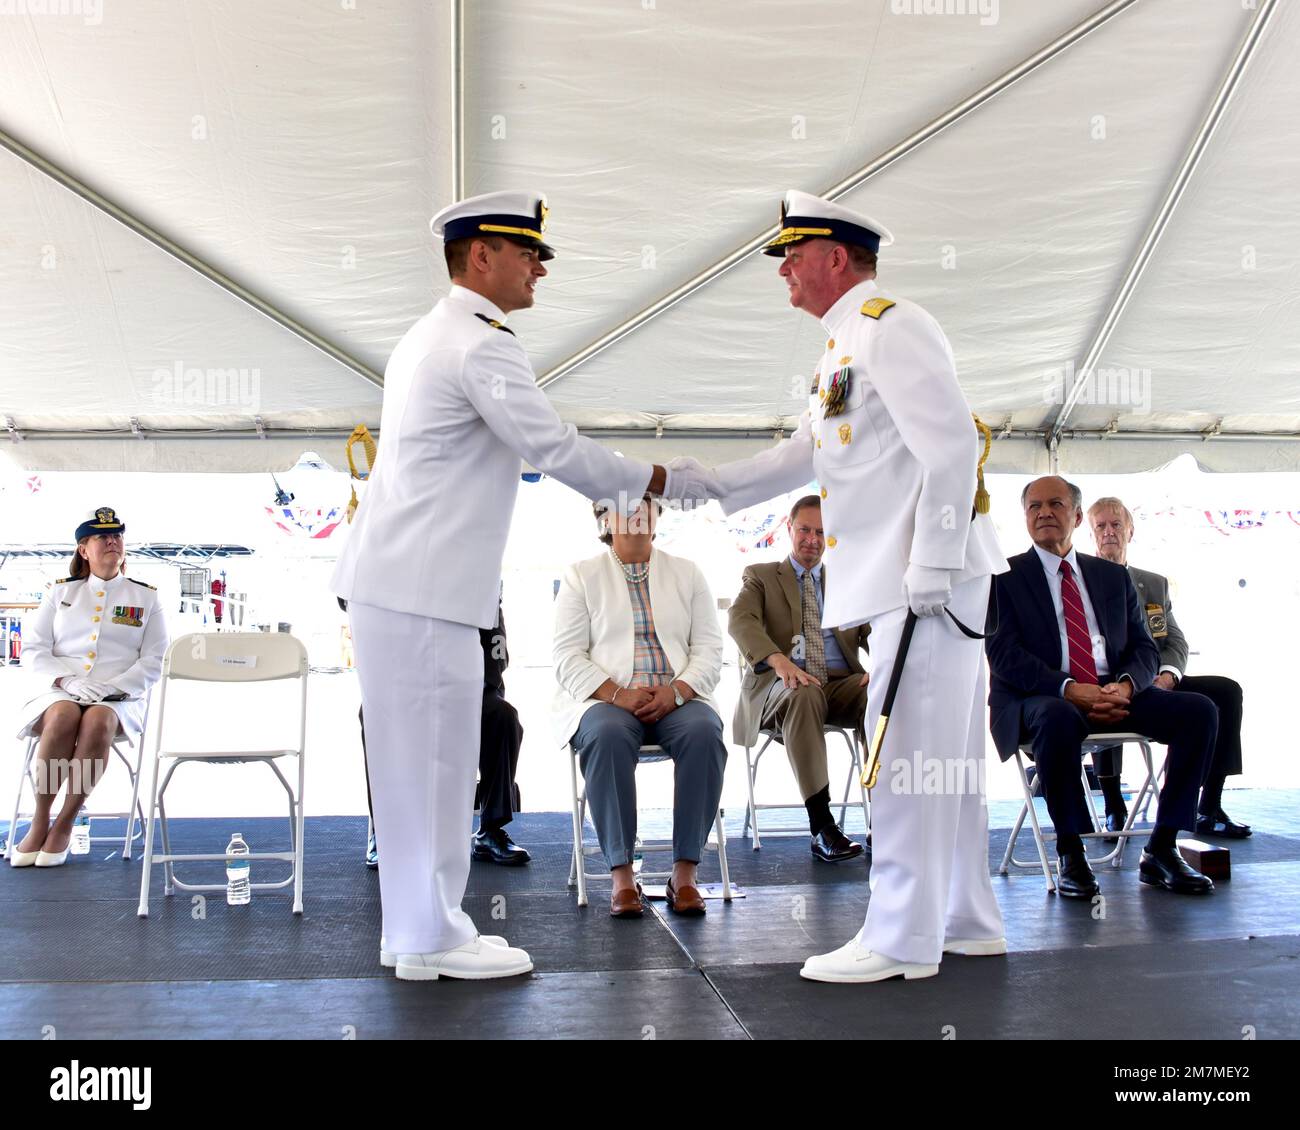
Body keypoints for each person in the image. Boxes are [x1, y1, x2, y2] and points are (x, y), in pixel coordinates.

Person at [331, 191, 714, 981]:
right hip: (421, 588)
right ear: (481, 257)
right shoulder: (481, 344)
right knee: (431, 767)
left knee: (423, 770)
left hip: (406, 583)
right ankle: (428, 936)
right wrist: (664, 479)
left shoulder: (430, 334)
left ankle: (421, 930)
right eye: (527, 251)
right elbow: (556, 447)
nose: (540, 264)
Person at [675, 190, 1008, 983]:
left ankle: (899, 938)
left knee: (905, 758)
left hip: (924, 580)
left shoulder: (894, 326)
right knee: (946, 763)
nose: (783, 268)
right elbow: (803, 454)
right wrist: (706, 484)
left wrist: (930, 562)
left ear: (835, 256)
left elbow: (953, 448)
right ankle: (964, 918)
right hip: (912, 580)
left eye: (794, 253)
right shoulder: (842, 347)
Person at [986, 477, 1218, 898]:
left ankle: (1162, 848)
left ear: (1075, 516)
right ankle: (1070, 852)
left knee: (1200, 711)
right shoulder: (1004, 577)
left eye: (1055, 504)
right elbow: (1003, 656)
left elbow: (1145, 648)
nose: (1044, 513)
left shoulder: (1111, 577)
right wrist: (1070, 689)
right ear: (1024, 518)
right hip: (1043, 697)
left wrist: (1127, 687)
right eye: (1034, 506)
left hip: (1114, 691)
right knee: (1056, 718)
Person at [553, 496, 726, 918]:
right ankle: (622, 874)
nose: (635, 514)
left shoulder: (687, 573)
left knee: (705, 731)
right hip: (608, 700)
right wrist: (617, 693)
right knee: (607, 735)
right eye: (623, 505)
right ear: (604, 518)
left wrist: (678, 690)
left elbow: (709, 649)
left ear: (657, 517)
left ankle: (684, 873)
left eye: (644, 506)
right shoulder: (581, 576)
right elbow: (567, 656)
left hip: (677, 698)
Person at [12, 508, 168, 867]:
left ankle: (66, 820)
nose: (112, 541)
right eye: (102, 537)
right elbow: (34, 650)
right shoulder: (60, 594)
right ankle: (40, 818)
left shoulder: (146, 598)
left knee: (97, 720)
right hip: (62, 689)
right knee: (64, 715)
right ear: (84, 549)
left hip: (119, 697)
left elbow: (154, 660)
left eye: (117, 536)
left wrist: (111, 689)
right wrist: (68, 681)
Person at [1087, 497, 1249, 838]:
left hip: (1159, 679)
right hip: (1117, 680)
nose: (1109, 532)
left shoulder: (1153, 583)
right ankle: (1113, 802)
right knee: (1109, 691)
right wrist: (1135, 680)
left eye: (1116, 525)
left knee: (1225, 691)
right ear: (1091, 534)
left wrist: (1168, 675)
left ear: (1131, 530)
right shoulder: (1083, 583)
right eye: (1100, 526)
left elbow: (1174, 640)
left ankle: (1210, 805)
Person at [728, 494, 870, 861]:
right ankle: (822, 825)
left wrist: (882, 667)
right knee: (804, 692)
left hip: (839, 683)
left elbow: (877, 628)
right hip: (781, 686)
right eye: (805, 529)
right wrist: (779, 660)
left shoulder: (847, 581)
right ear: (789, 529)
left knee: (882, 692)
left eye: (821, 532)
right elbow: (740, 621)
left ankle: (887, 818)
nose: (812, 539)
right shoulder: (760, 576)